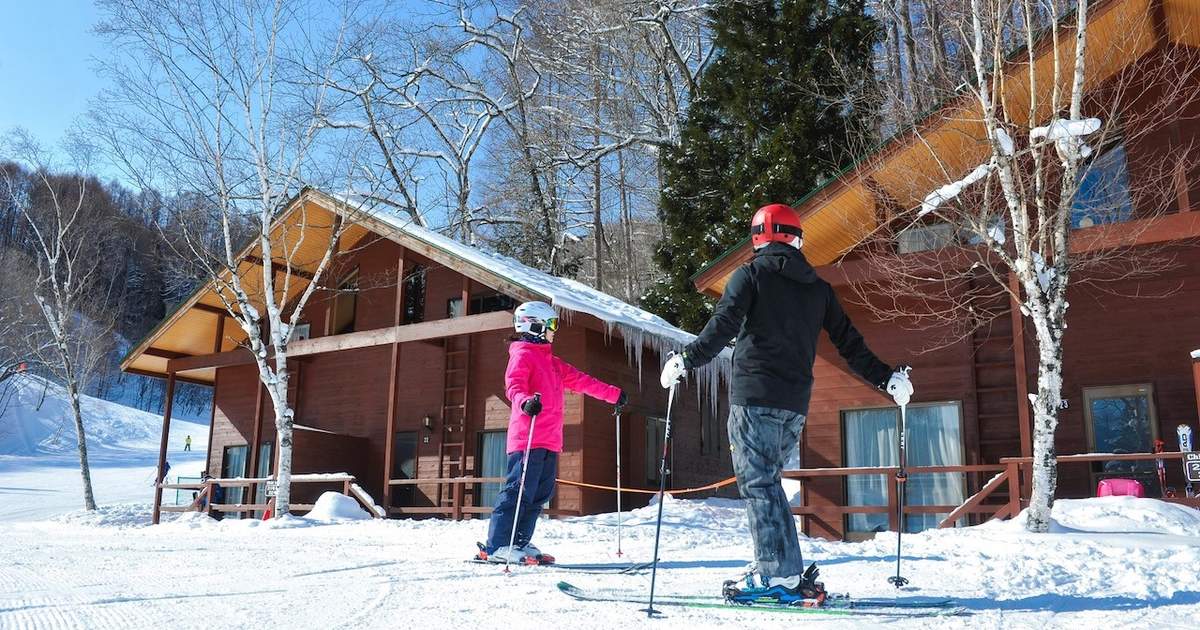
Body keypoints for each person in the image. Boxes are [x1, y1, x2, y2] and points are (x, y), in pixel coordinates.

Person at [660, 203, 914, 605]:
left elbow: (723, 325)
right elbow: (850, 344)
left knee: (758, 485)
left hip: (754, 398)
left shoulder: (750, 275)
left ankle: (778, 575)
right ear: (797, 238)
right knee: (768, 484)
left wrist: (685, 360)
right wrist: (887, 378)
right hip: (794, 404)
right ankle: (781, 569)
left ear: (758, 238)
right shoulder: (818, 289)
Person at [476, 301, 627, 565]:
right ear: (534, 325)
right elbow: (513, 386)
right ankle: (498, 545)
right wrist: (525, 402)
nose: (555, 331)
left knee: (539, 494)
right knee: (518, 492)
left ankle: (519, 541)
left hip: (549, 441)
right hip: (528, 438)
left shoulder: (552, 362)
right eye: (552, 325)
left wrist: (613, 395)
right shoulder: (522, 354)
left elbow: (582, 381)